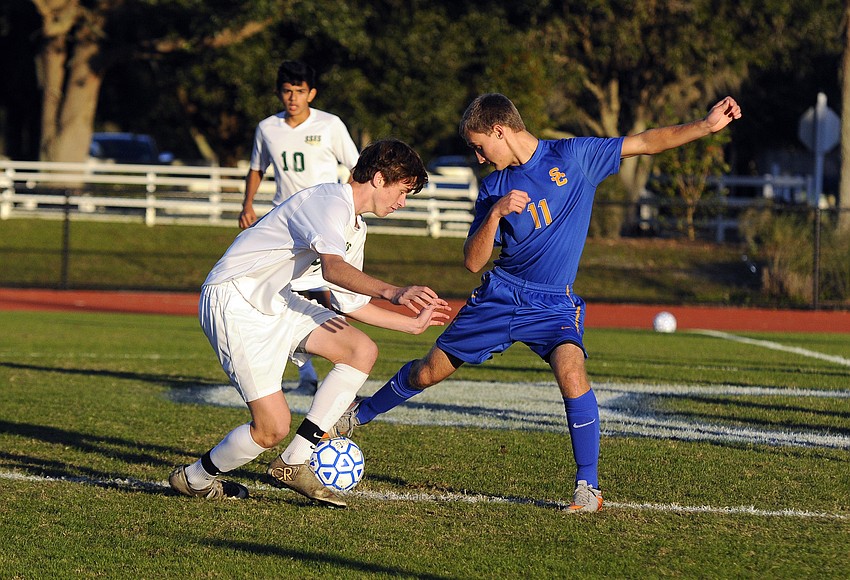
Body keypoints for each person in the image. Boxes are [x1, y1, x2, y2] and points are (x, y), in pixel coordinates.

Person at [328, 93, 743, 513]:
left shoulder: (576, 156)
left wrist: (705, 127)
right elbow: (473, 263)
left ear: (499, 131)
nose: (478, 158)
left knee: (572, 371)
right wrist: (494, 216)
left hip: (554, 304)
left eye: (479, 146)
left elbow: (647, 141)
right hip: (499, 296)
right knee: (428, 372)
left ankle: (588, 487)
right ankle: (357, 416)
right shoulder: (493, 187)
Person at [169, 139, 450, 508]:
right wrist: (394, 291)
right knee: (271, 429)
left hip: (277, 300)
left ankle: (293, 461)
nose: (403, 202)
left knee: (360, 349)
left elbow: (351, 301)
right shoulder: (329, 200)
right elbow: (333, 268)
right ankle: (195, 478)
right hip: (233, 300)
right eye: (403, 190)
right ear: (380, 179)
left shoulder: (356, 225)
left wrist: (411, 326)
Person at [239, 59, 360, 394]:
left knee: (329, 291)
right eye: (287, 91)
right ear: (280, 93)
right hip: (284, 227)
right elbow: (255, 168)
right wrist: (247, 205)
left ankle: (346, 356)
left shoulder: (330, 124)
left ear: (312, 93)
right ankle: (305, 373)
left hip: (323, 225)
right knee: (279, 294)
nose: (293, 98)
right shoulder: (267, 128)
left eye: (300, 91)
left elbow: (357, 167)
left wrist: (345, 207)